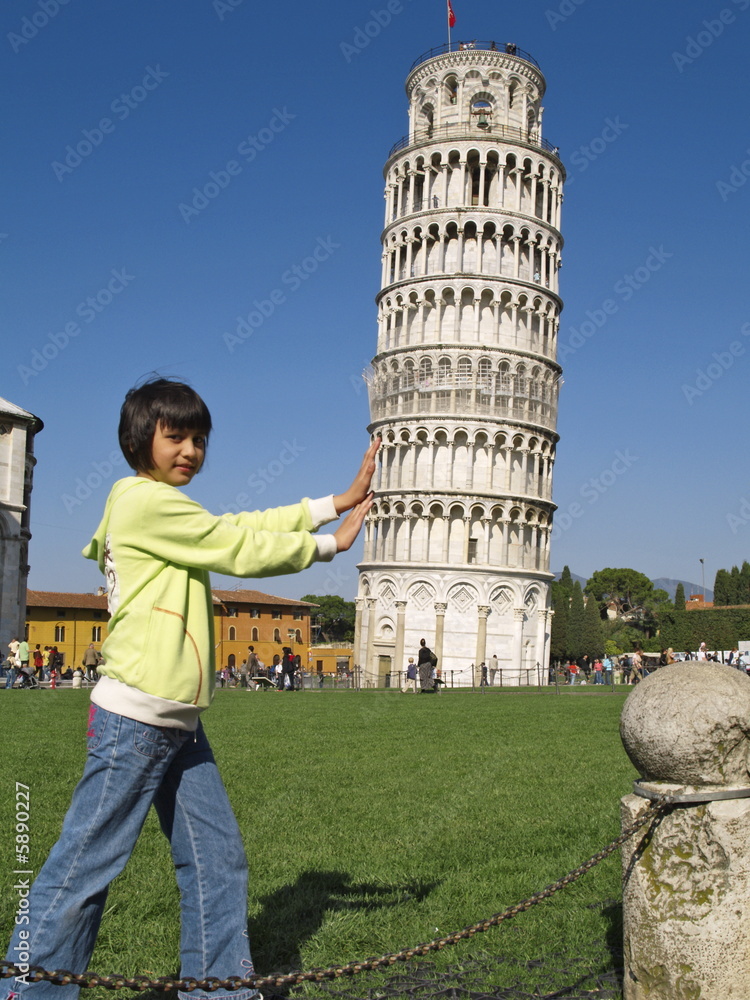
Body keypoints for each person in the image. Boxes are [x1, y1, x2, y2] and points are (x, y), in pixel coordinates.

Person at [2, 377, 378, 1000]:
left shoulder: (163, 509)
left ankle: (219, 991)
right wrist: (328, 543)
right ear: (139, 438)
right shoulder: (143, 502)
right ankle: (23, 994)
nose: (191, 450)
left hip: (176, 720)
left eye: (199, 439)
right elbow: (234, 542)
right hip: (136, 720)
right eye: (175, 435)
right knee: (83, 868)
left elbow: (232, 526)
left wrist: (332, 503)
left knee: (216, 862)